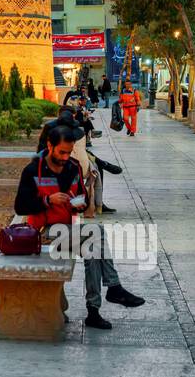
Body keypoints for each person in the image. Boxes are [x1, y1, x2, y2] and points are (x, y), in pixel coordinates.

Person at [14, 125, 144, 329]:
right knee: (97, 232)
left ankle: (93, 311)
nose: (65, 157)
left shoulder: (73, 167)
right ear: (50, 145)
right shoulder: (33, 170)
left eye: (69, 152)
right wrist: (48, 200)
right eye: (61, 152)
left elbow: (82, 197)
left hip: (69, 229)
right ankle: (114, 287)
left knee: (93, 249)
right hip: (45, 232)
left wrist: (81, 203)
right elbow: (20, 206)